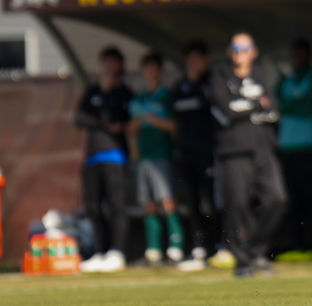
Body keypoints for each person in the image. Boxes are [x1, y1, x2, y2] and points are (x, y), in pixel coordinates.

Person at [211, 31, 286, 276]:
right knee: (237, 205)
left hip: (263, 149)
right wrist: (255, 107)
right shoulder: (219, 77)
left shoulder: (261, 75)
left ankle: (256, 251)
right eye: (236, 47)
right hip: (234, 151)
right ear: (229, 51)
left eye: (245, 48)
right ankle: (242, 261)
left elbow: (273, 110)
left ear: (253, 52)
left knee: (277, 199)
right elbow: (225, 112)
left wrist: (244, 108)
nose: (240, 53)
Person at [74, 47, 134, 272]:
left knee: (117, 206)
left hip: (115, 156)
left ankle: (117, 252)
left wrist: (107, 98)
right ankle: (101, 251)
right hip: (92, 157)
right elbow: (80, 119)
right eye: (105, 62)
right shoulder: (92, 91)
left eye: (113, 62)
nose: (108, 67)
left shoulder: (124, 93)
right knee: (93, 207)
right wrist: (101, 119)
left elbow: (121, 120)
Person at [129, 50, 187, 264]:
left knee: (168, 201)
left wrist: (151, 118)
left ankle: (176, 247)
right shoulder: (139, 98)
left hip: (162, 154)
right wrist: (134, 147)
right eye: (147, 67)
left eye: (154, 67)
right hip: (143, 157)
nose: (150, 71)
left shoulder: (166, 96)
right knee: (148, 203)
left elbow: (174, 126)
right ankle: (153, 250)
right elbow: (132, 129)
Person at [276, 38, 312, 253]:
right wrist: (293, 104)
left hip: (309, 146)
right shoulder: (285, 81)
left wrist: (290, 105)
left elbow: (307, 107)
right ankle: (298, 243)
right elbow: (279, 101)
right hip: (288, 147)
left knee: (310, 196)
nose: (297, 58)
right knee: (293, 199)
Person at [169, 42, 219, 265]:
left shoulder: (212, 83)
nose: (194, 63)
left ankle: (221, 244)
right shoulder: (179, 86)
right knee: (192, 202)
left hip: (208, 152)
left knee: (214, 200)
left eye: (198, 58)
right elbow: (174, 120)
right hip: (185, 153)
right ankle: (198, 247)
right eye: (190, 58)